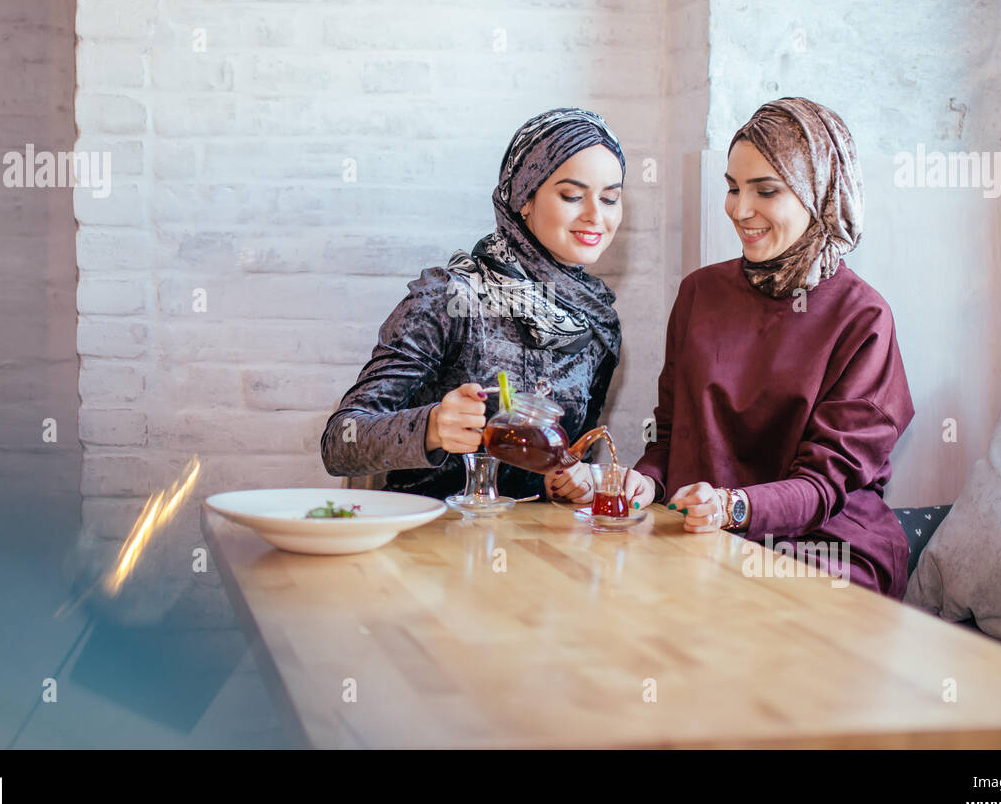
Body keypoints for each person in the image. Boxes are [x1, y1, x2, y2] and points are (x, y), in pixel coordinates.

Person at [623, 97, 915, 598]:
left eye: (766, 190)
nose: (740, 209)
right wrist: (645, 482)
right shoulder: (699, 293)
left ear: (818, 192)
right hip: (705, 539)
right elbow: (671, 438)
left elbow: (825, 486)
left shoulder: (863, 318)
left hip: (825, 549)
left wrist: (736, 507)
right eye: (733, 188)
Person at [321, 107, 626, 503]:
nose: (595, 216)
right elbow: (339, 443)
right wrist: (431, 427)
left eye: (610, 199)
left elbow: (569, 456)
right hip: (427, 543)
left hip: (538, 550)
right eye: (572, 195)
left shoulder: (597, 321)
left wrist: (572, 477)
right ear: (524, 198)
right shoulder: (451, 297)